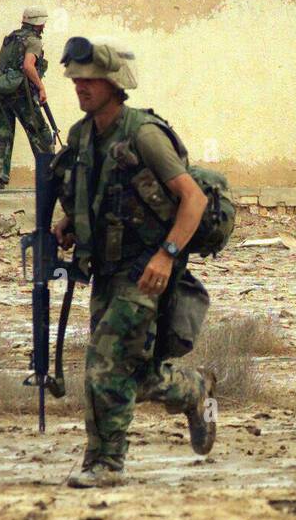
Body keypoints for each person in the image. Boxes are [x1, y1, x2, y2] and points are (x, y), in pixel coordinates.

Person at [50, 36, 216, 488]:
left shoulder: (143, 133)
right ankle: (193, 389)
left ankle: (106, 464)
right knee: (128, 373)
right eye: (76, 80)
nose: (80, 87)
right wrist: (69, 221)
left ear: (114, 84)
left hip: (146, 271)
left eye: (90, 80)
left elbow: (193, 199)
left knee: (103, 366)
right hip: (104, 270)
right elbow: (100, 192)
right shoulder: (84, 135)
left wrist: (167, 255)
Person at [0, 6, 54, 190]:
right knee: (40, 132)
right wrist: (41, 87)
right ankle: (50, 176)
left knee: (0, 133)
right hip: (22, 94)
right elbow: (29, 66)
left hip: (1, 91)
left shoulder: (11, 38)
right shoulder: (33, 41)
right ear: (39, 23)